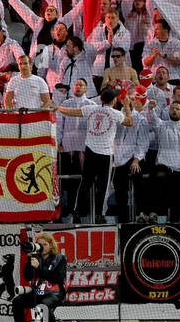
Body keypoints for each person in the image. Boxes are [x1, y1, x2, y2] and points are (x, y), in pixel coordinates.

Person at [48, 88, 135, 224]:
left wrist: (58, 107)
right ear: (114, 101)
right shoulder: (116, 114)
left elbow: (71, 112)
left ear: (101, 99)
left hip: (90, 152)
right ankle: (99, 214)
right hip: (105, 155)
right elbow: (130, 122)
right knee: (102, 186)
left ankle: (77, 212)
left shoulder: (91, 109)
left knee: (85, 183)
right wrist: (126, 106)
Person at [11, 231, 68, 322]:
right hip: (37, 293)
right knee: (17, 301)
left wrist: (39, 268)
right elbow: (28, 277)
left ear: (51, 245)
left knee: (43, 306)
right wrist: (30, 263)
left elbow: (57, 278)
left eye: (45, 244)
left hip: (54, 293)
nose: (42, 247)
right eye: (40, 245)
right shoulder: (35, 257)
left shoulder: (60, 258)